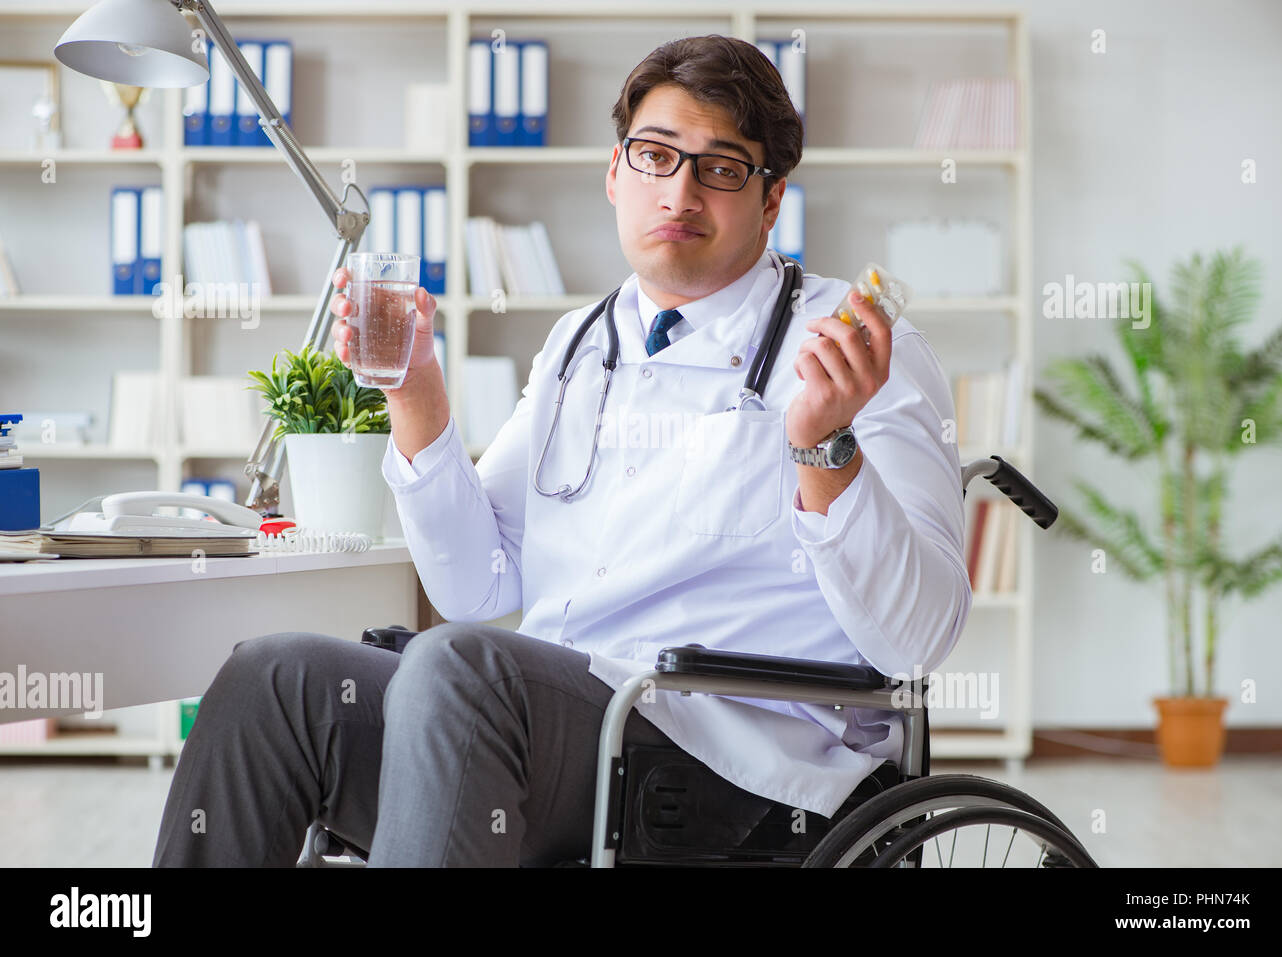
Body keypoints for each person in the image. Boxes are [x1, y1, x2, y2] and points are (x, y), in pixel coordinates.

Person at [153, 34, 969, 868]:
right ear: (615, 173)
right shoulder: (581, 341)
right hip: (546, 723)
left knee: (458, 670)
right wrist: (416, 394)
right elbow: (474, 585)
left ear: (771, 201)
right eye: (655, 156)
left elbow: (919, 638)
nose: (679, 191)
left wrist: (824, 448)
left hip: (734, 761)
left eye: (721, 168)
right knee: (273, 678)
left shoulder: (858, 347)